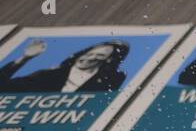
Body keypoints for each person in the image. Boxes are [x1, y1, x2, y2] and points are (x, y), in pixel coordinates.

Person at [0, 39, 129, 93]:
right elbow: (3, 87)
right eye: (90, 53)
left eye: (100, 56)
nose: (90, 57)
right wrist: (24, 59)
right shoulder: (48, 76)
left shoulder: (111, 81)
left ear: (108, 61)